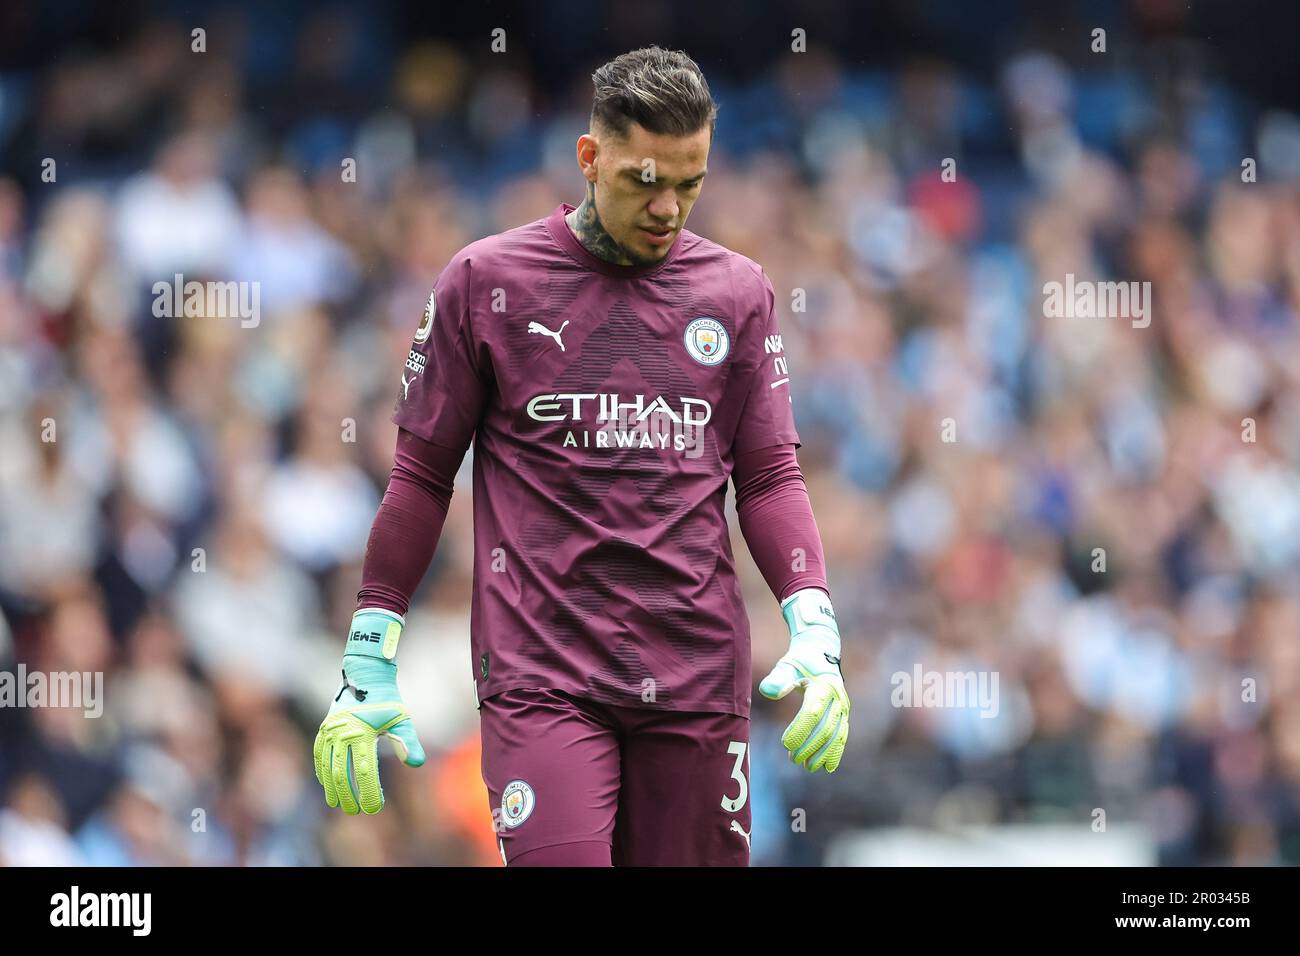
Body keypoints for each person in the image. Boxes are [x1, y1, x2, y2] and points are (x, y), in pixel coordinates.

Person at [312, 45, 849, 867]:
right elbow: (421, 478)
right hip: (543, 676)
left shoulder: (738, 293)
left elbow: (769, 474)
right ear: (589, 159)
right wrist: (368, 651)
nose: (669, 207)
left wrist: (812, 618)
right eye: (645, 180)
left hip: (697, 673)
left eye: (691, 182)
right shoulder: (486, 283)